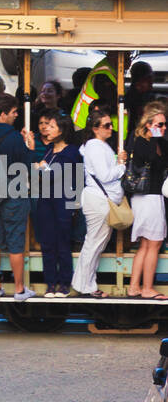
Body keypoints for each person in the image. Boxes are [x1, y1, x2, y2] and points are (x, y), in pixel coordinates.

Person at [0, 92, 40, 300]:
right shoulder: (12, 137)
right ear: (3, 114)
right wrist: (29, 146)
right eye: (13, 112)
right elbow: (27, 164)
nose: (15, 116)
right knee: (15, 243)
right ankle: (19, 289)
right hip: (14, 194)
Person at [70, 106, 127, 297]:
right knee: (94, 245)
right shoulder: (96, 146)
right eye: (107, 125)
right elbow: (104, 175)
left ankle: (84, 283)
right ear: (95, 128)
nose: (111, 128)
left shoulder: (94, 146)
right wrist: (121, 166)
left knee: (94, 245)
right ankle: (86, 286)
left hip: (98, 200)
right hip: (99, 200)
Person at [34, 114, 81, 296]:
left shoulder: (71, 152)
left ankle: (64, 284)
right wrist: (43, 168)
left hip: (63, 201)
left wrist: (42, 167)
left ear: (62, 131)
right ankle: (50, 284)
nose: (47, 129)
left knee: (62, 243)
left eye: (52, 126)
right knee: (47, 243)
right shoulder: (49, 150)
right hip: (46, 201)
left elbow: (54, 175)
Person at [127, 101, 168, 300]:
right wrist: (154, 137)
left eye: (164, 124)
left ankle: (135, 287)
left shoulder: (159, 142)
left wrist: (158, 138)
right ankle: (147, 288)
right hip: (147, 197)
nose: (163, 128)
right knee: (154, 242)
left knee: (146, 244)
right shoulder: (142, 141)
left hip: (151, 197)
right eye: (159, 124)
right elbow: (151, 160)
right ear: (148, 123)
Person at [126, 61, 155, 134]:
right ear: (139, 81)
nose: (151, 81)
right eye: (148, 78)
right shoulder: (132, 99)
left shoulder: (148, 95)